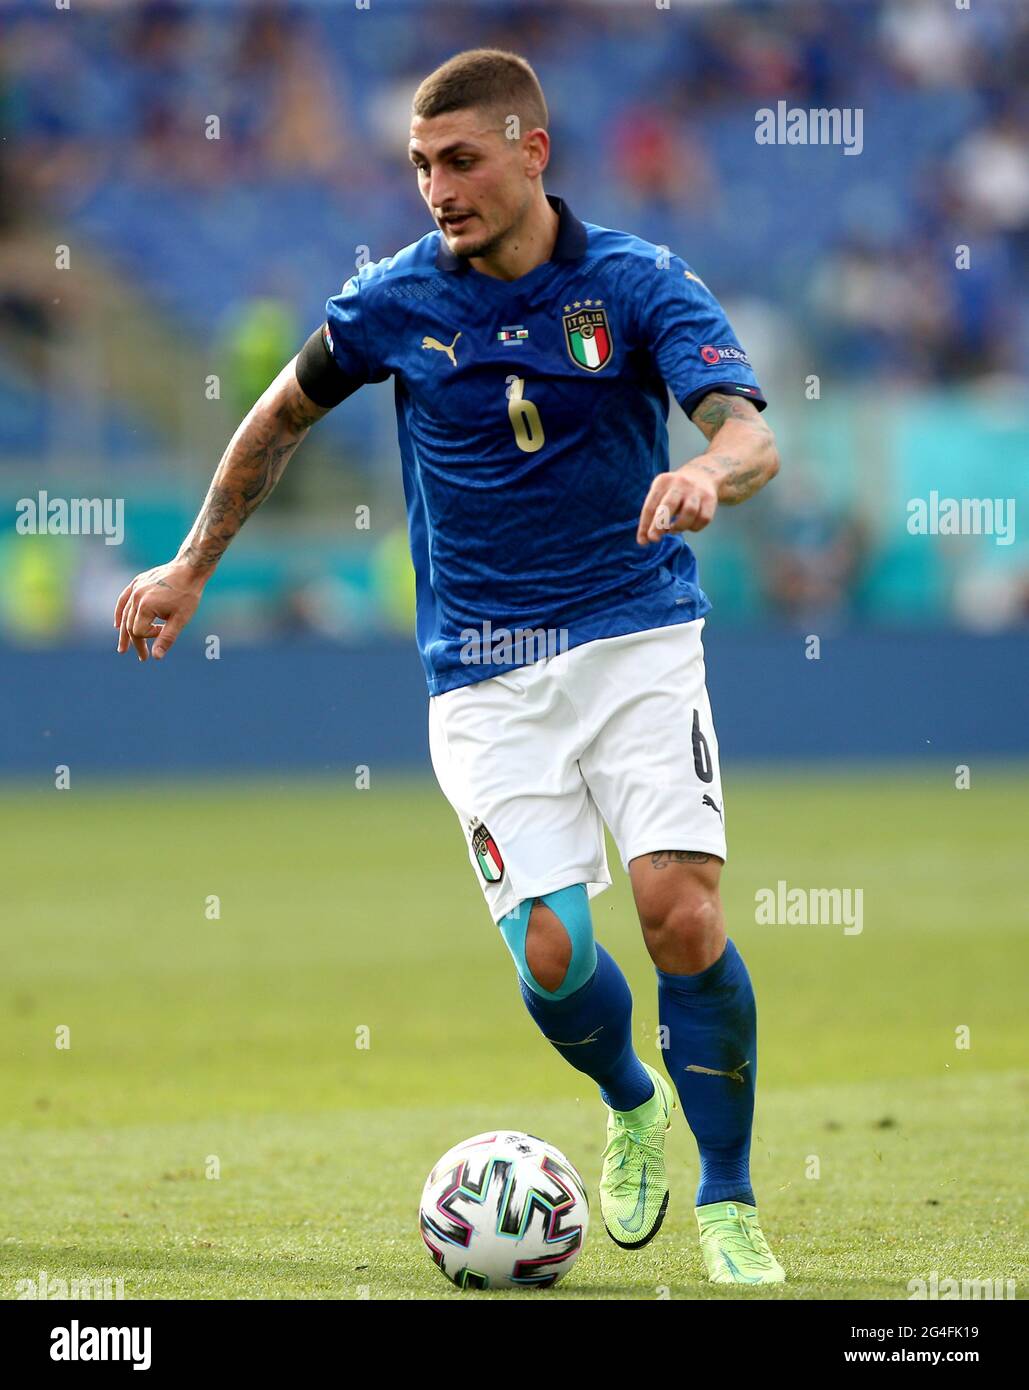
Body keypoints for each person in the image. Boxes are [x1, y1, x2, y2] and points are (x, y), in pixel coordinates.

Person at [114, 48, 783, 1285]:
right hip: (479, 671)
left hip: (634, 635)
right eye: (422, 165)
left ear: (534, 152)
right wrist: (188, 565)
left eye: (462, 160)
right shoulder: (392, 300)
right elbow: (278, 416)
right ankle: (633, 1097)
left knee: (678, 913)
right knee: (549, 955)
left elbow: (750, 433)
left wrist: (703, 473)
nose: (438, 188)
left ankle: (730, 1199)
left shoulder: (636, 284)